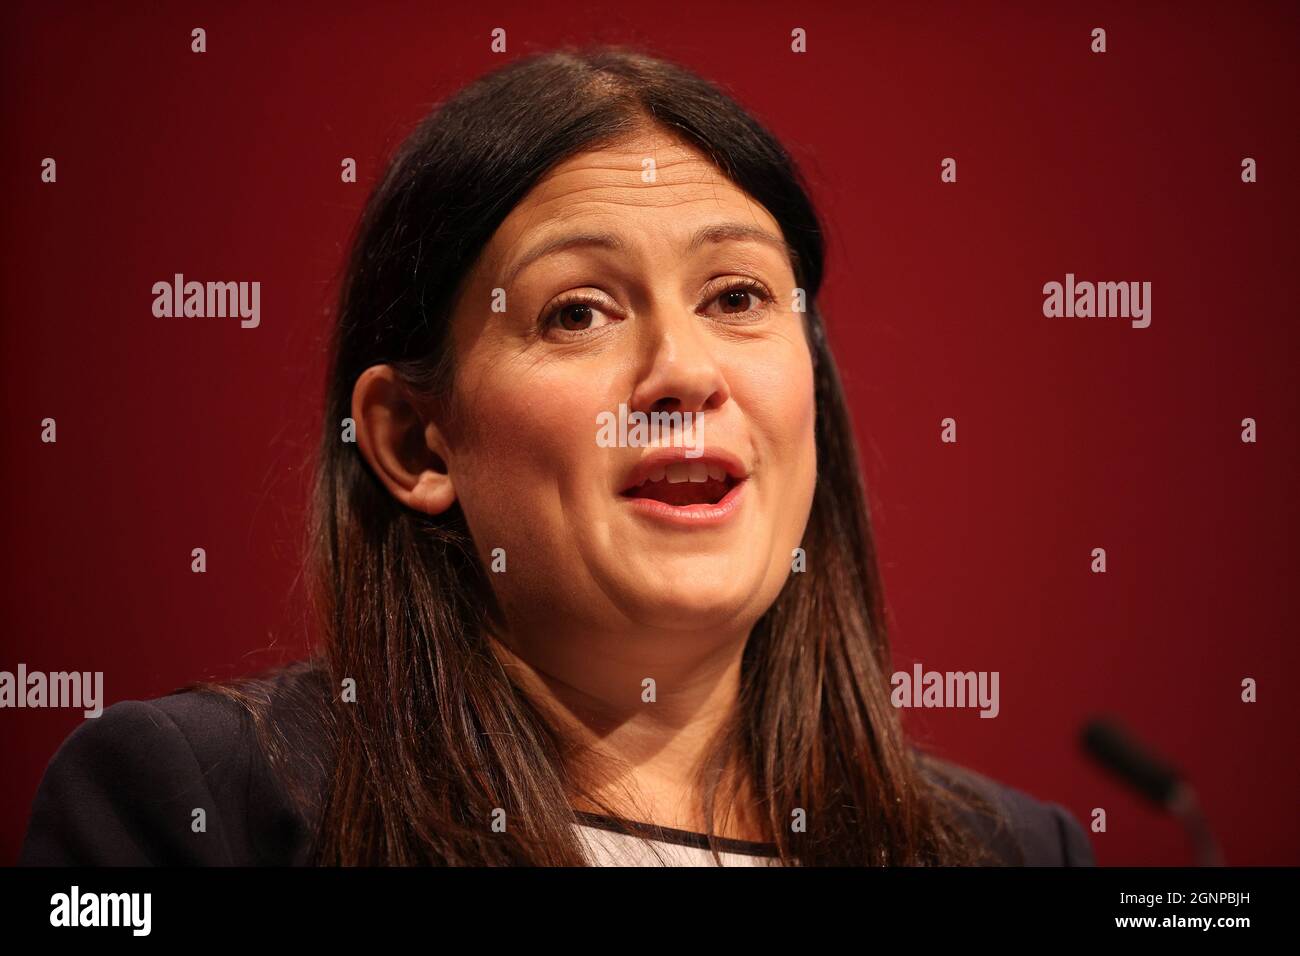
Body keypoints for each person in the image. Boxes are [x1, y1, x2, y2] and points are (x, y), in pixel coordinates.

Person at [20, 46, 1094, 867]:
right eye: (577, 311)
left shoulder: (1010, 850)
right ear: (410, 438)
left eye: (737, 296)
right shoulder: (200, 805)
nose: (683, 370)